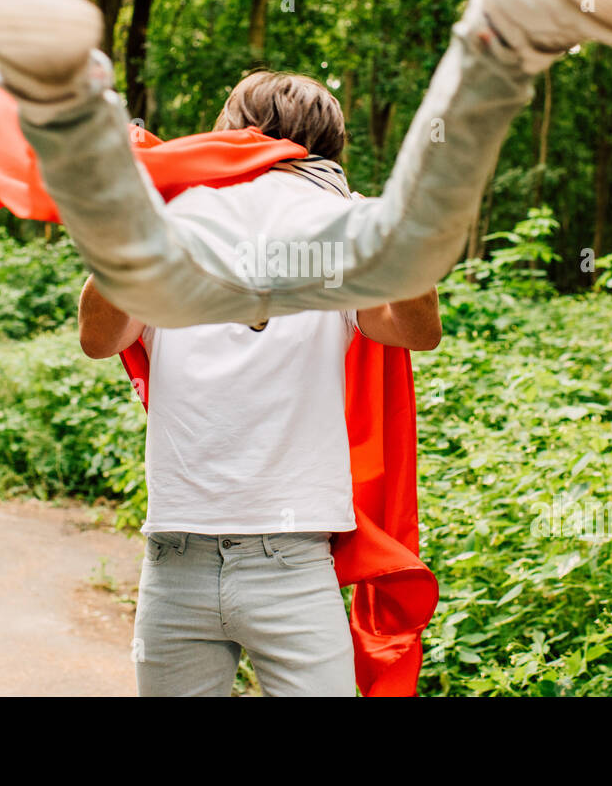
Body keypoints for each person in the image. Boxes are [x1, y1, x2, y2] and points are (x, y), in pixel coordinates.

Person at [0, 0, 612, 329]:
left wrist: (117, 238)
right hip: (330, 247)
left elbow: (103, 330)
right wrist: (400, 255)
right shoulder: (343, 204)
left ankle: (65, 100)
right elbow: (413, 332)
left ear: (232, 129)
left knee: (139, 267)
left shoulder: (192, 194)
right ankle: (503, 34)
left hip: (198, 256)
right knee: (412, 246)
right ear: (329, 142)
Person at [77, 71, 441, 695]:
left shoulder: (340, 233)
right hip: (179, 556)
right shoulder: (171, 220)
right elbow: (100, 337)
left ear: (227, 131)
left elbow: (414, 328)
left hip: (292, 563)